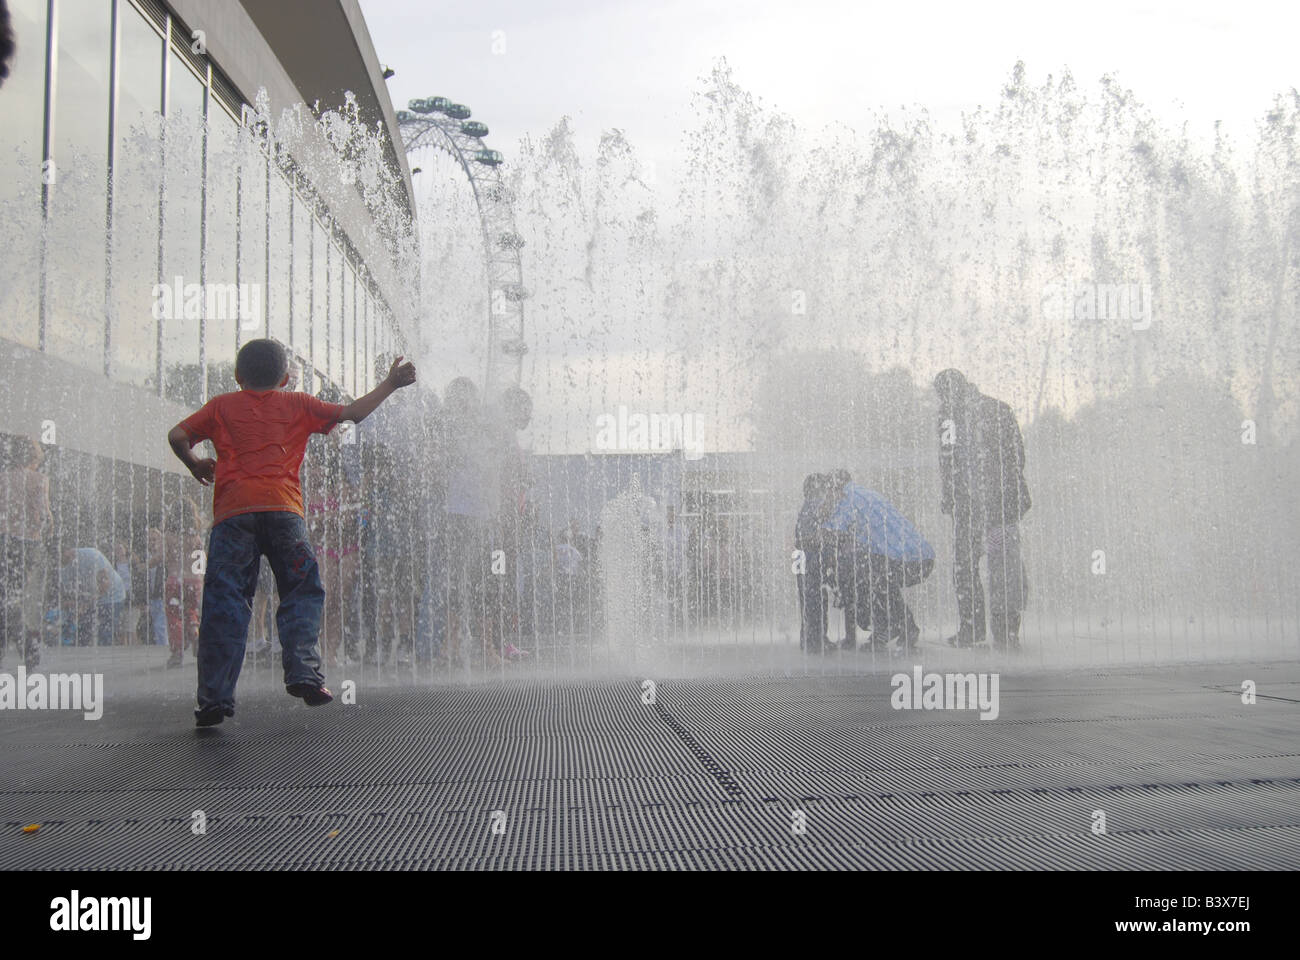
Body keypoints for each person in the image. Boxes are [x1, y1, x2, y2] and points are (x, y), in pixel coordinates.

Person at [167, 338, 415, 727]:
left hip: (234, 516)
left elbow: (177, 436)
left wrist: (196, 464)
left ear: (237, 376)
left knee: (225, 603)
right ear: (285, 377)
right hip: (284, 512)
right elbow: (352, 414)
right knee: (301, 589)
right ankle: (303, 671)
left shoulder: (220, 406)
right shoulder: (297, 403)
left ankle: (214, 698)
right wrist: (391, 384)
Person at [932, 369, 1031, 651]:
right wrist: (950, 496)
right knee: (967, 566)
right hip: (971, 508)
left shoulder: (995, 410)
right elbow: (947, 461)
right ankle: (977, 630)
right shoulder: (949, 418)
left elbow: (1015, 456)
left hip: (998, 507)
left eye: (943, 395)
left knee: (1001, 566)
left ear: (957, 390)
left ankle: (1004, 631)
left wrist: (996, 488)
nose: (941, 401)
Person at [816, 471, 934, 653]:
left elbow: (828, 531)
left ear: (834, 489)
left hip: (900, 559)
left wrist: (820, 514)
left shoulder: (847, 499)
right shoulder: (867, 494)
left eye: (828, 493)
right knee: (879, 580)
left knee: (869, 578)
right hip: (922, 558)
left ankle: (891, 628)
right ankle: (901, 628)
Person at [0, 436, 52, 666]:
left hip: (3, 540)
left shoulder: (2, 478)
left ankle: (17, 648)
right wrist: (48, 526)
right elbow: (43, 515)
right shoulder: (39, 479)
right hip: (26, 544)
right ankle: (29, 649)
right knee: (11, 599)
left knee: (6, 597)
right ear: (34, 455)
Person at [57, 545, 127, 647]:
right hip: (92, 600)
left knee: (105, 632)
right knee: (82, 632)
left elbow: (105, 584)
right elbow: (67, 594)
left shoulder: (91, 555)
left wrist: (85, 604)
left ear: (68, 551)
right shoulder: (64, 567)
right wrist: (71, 604)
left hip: (113, 597)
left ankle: (105, 658)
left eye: (61, 556)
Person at [795, 473, 833, 654]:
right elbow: (808, 539)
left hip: (800, 559)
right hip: (808, 559)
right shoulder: (815, 505)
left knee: (809, 599)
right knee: (815, 599)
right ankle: (815, 641)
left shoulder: (807, 506)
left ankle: (811, 639)